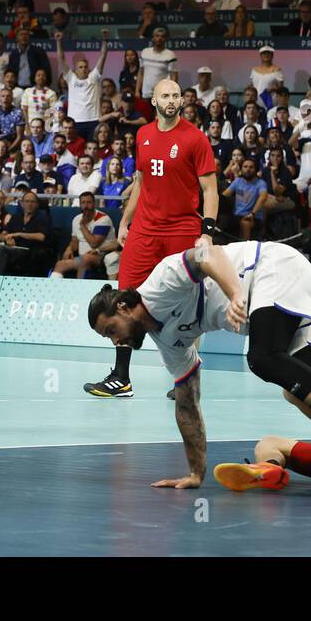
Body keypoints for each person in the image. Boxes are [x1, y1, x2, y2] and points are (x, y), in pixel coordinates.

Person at [87, 242, 311, 492]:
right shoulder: (167, 342)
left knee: (262, 358)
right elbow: (187, 403)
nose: (114, 339)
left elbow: (208, 252)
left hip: (272, 268)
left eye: (111, 330)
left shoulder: (161, 283)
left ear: (122, 306)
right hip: (283, 290)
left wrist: (236, 292)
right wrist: (195, 473)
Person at [83, 79, 218, 398]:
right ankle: (121, 378)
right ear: (154, 101)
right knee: (123, 298)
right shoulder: (142, 135)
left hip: (182, 229)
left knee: (187, 303)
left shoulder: (195, 138)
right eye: (166, 96)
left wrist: (207, 232)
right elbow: (140, 182)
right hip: (145, 230)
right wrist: (126, 220)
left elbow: (210, 189)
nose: (172, 100)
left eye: (176, 95)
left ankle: (187, 378)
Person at [55, 28, 109, 140]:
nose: (83, 69)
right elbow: (61, 58)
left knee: (93, 148)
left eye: (85, 67)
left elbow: (103, 55)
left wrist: (105, 40)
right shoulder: (71, 78)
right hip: (76, 121)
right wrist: (59, 41)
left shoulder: (93, 77)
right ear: (75, 69)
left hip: (93, 120)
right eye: (80, 67)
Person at [50, 191, 114, 279]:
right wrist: (69, 249)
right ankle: (54, 289)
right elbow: (74, 243)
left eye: (89, 202)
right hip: (82, 257)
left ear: (94, 204)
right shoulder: (77, 219)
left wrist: (83, 225)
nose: (86, 206)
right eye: (83, 203)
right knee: (60, 264)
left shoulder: (103, 219)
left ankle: (79, 290)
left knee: (84, 260)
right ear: (80, 204)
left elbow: (94, 243)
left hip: (101, 256)